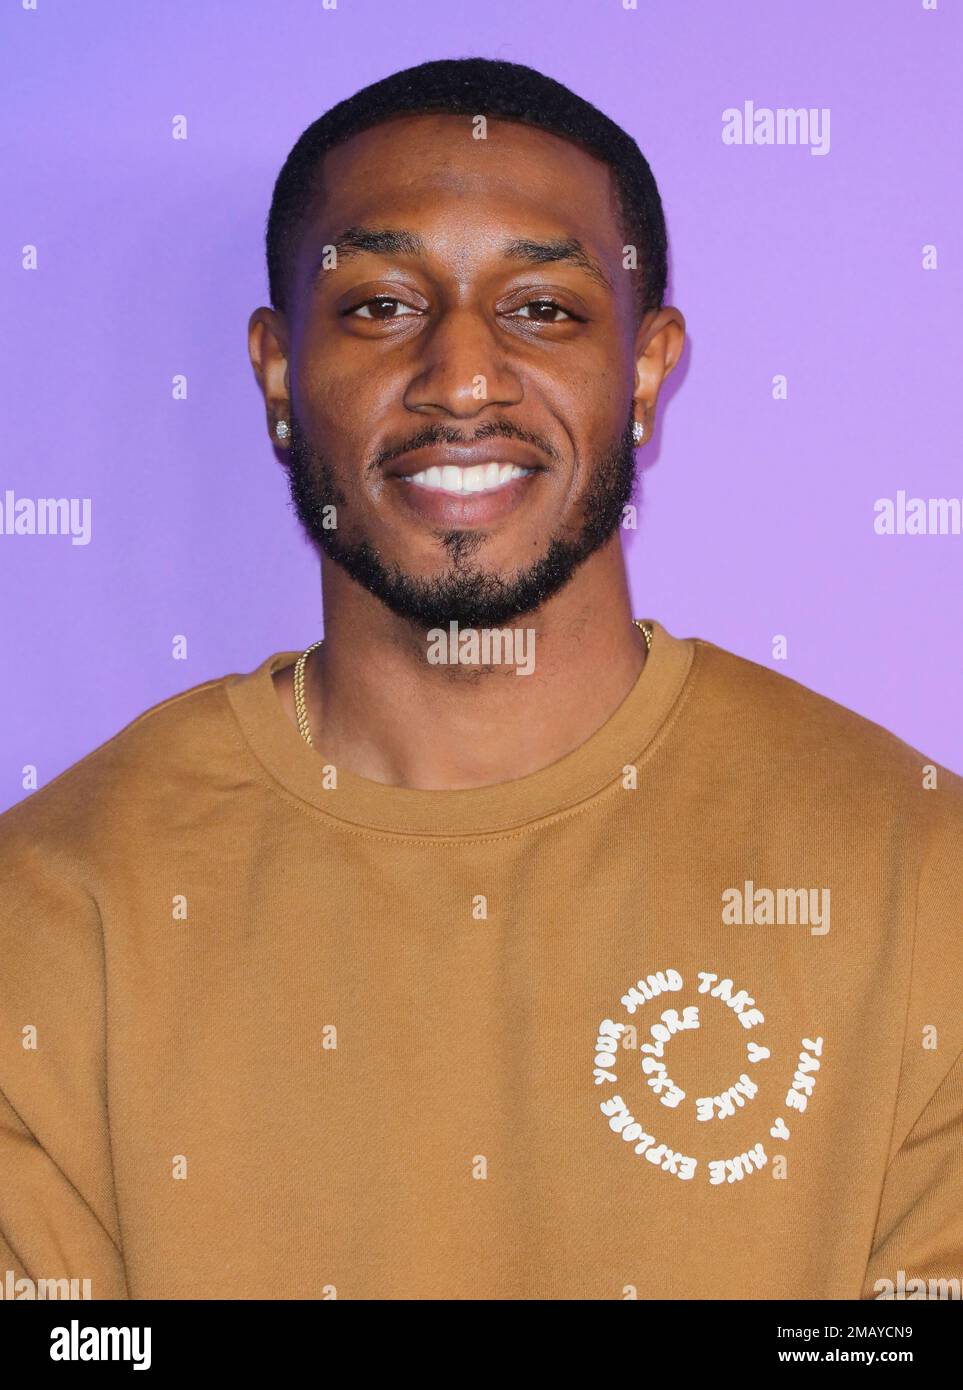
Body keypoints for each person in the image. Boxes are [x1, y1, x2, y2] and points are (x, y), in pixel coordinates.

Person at [1, 57, 960, 1303]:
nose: (463, 378)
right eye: (384, 305)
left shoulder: (919, 873)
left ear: (650, 368)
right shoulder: (54, 911)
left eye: (545, 310)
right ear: (280, 373)